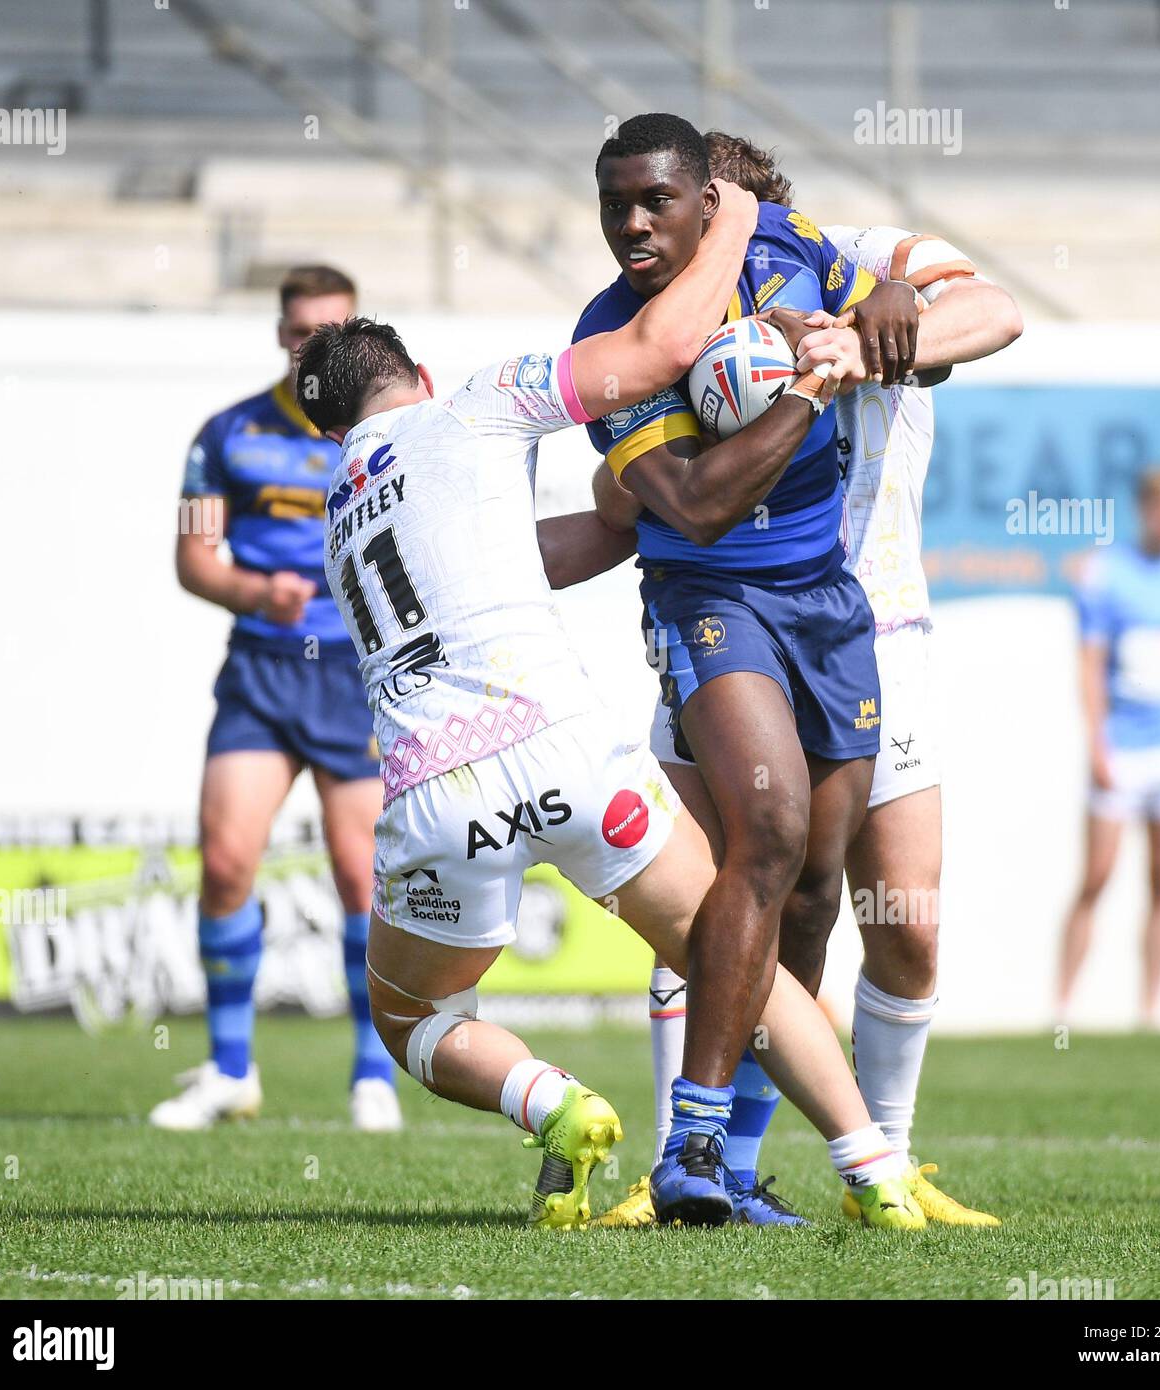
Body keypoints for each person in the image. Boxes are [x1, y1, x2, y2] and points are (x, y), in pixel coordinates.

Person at [298, 192, 925, 1230]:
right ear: (416, 377)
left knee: (413, 1015)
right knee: (738, 951)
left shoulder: (339, 512)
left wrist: (627, 508)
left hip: (433, 788)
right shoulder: (476, 402)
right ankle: (874, 1170)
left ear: (332, 429)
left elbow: (523, 555)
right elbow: (661, 341)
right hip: (566, 750)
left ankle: (555, 1105)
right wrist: (733, 216)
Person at [551, 130, 1022, 1227]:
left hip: (856, 613)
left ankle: (852, 1165)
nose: (638, 228)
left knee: (840, 899)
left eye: (667, 206)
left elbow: (985, 313)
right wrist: (806, 385)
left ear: (733, 206)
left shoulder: (817, 251)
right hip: (711, 605)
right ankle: (691, 1148)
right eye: (620, 206)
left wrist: (878, 316)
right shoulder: (621, 330)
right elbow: (666, 506)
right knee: (743, 857)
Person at [151, 266, 400, 1133]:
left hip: (352, 677)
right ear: (281, 335)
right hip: (259, 671)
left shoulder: (388, 430)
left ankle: (375, 1074)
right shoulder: (223, 434)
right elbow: (194, 557)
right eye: (300, 333)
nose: (313, 346)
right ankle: (229, 1071)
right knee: (223, 864)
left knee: (359, 877)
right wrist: (259, 594)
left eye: (330, 330)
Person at [1057, 469, 1160, 1025]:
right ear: (1146, 510)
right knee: (1096, 878)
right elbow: (1090, 664)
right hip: (1123, 749)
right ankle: (1061, 1009)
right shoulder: (1107, 576)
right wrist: (1097, 743)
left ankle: (1151, 1012)